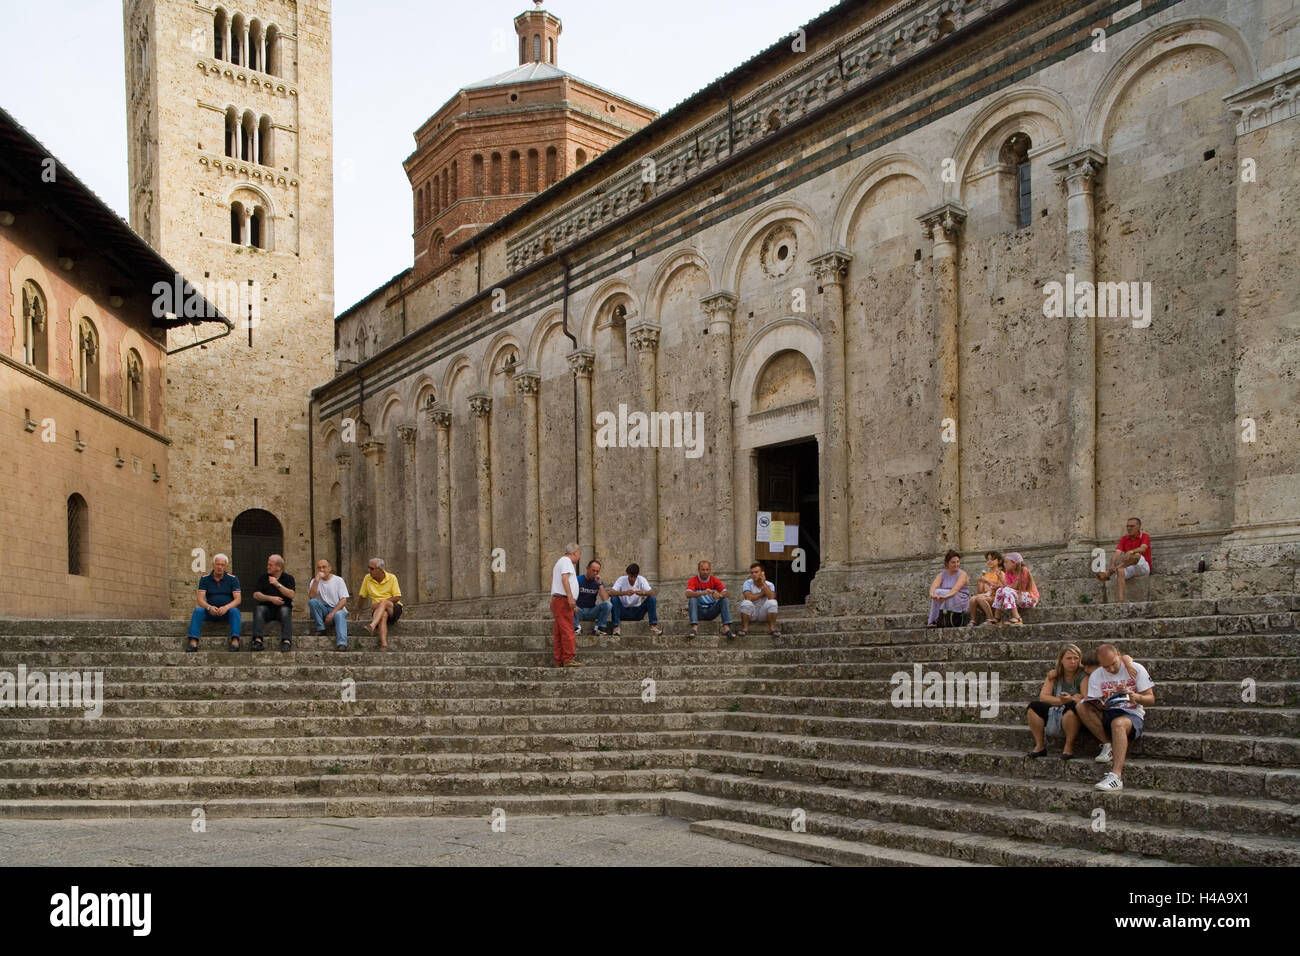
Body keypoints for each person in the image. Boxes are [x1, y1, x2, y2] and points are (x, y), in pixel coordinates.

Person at [1077, 643, 1155, 791]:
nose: (1111, 669)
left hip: (1131, 714)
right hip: (1108, 711)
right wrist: (1098, 704)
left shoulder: (1135, 668)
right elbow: (1095, 700)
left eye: (1114, 664)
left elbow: (1151, 698)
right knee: (1081, 706)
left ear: (1119, 655)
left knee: (1118, 724)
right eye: (1106, 667)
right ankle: (1108, 744)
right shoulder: (1097, 674)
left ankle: (1116, 776)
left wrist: (1138, 697)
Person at [1025, 644, 1087, 759]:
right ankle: (1040, 746)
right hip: (1057, 707)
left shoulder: (1083, 675)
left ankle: (1068, 747)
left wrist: (1071, 699)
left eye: (1076, 658)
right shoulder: (1054, 674)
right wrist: (1064, 700)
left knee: (1071, 710)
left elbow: (1085, 697)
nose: (1072, 661)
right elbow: (1043, 697)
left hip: (1073, 711)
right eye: (1069, 658)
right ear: (1061, 660)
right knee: (1033, 707)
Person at [186, 553, 242, 652]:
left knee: (235, 611)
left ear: (226, 566)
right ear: (213, 565)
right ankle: (193, 642)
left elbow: (238, 599)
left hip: (227, 612)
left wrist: (226, 607)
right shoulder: (205, 579)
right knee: (198, 611)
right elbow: (200, 599)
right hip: (210, 612)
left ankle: (235, 641)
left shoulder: (233, 579)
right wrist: (209, 607)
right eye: (217, 564)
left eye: (222, 565)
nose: (220, 567)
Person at [1096, 517, 1153, 603]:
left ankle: (1109, 573)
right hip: (1130, 566)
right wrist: (1112, 564)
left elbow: (1143, 549)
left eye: (1132, 526)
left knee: (1136, 555)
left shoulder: (1145, 536)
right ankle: (1120, 600)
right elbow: (1117, 553)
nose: (1129, 528)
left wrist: (1131, 551)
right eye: (1127, 526)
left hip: (1143, 567)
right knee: (1120, 571)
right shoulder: (1124, 539)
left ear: (1138, 527)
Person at [251, 554, 296, 652]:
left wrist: (277, 584)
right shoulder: (263, 577)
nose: (267, 567)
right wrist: (271, 598)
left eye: (270, 565)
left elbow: (291, 595)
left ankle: (286, 641)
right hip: (266, 610)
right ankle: (257, 640)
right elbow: (256, 595)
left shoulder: (288, 578)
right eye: (268, 564)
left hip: (282, 610)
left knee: (285, 610)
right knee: (259, 609)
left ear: (278, 567)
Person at [358, 557, 402, 651]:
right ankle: (384, 645)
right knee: (383, 615)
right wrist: (358, 611)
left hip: (393, 608)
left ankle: (372, 625)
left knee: (383, 602)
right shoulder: (367, 578)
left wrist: (380, 604)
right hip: (378, 611)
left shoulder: (391, 577)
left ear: (380, 570)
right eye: (368, 568)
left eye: (372, 569)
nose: (369, 570)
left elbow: (397, 597)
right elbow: (362, 596)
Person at [550, 543, 582, 667]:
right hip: (563, 601)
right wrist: (570, 598)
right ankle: (568, 658)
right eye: (579, 554)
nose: (579, 558)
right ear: (575, 552)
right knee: (568, 629)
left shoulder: (561, 562)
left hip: (559, 600)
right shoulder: (566, 561)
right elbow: (565, 579)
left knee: (559, 632)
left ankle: (559, 660)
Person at [308, 558, 351, 651]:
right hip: (323, 609)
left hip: (337, 609)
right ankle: (321, 628)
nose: (321, 570)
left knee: (339, 615)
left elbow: (343, 600)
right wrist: (316, 580)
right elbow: (312, 596)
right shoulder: (314, 581)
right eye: (319, 568)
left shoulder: (338, 580)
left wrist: (332, 613)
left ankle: (342, 643)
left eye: (324, 567)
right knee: (312, 602)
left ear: (329, 568)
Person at [686, 559, 734, 640]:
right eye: (703, 570)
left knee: (724, 599)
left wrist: (719, 595)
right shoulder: (693, 580)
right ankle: (694, 628)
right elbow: (687, 594)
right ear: (699, 570)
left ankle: (726, 628)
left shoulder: (714, 580)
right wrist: (703, 592)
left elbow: (727, 593)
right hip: (699, 612)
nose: (705, 572)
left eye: (707, 570)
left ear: (710, 570)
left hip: (711, 611)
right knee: (692, 599)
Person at [608, 563, 661, 636]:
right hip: (622, 612)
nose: (632, 579)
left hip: (637, 612)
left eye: (635, 577)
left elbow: (652, 593)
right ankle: (616, 627)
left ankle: (653, 626)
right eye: (631, 576)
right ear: (627, 574)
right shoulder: (621, 579)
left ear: (637, 575)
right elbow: (610, 593)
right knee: (614, 598)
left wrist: (643, 592)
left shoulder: (641, 579)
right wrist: (625, 593)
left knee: (652, 599)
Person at [992, 551, 1039, 626]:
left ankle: (1017, 618)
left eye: (1006, 562)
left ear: (1014, 563)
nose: (1004, 564)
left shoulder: (1023, 570)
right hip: (1019, 598)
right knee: (1000, 590)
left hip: (1030, 599)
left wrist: (1002, 582)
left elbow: (1013, 587)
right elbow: (1008, 587)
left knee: (1005, 590)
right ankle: (997, 617)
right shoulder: (1008, 573)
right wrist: (1000, 578)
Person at [926, 550, 970, 627]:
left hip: (960, 597)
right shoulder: (941, 574)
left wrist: (944, 597)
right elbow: (933, 587)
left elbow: (955, 589)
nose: (956, 564)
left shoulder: (963, 574)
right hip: (945, 597)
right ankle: (933, 620)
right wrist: (933, 595)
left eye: (958, 562)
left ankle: (938, 619)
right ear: (947, 563)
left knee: (941, 592)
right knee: (937, 592)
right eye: (953, 562)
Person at [738, 562, 779, 637]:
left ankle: (772, 629)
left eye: (756, 572)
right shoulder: (747, 583)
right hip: (751, 613)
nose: (754, 574)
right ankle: (745, 628)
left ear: (762, 573)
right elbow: (748, 597)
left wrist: (763, 583)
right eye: (752, 572)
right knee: (745, 602)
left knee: (773, 602)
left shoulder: (769, 584)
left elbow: (771, 597)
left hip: (763, 614)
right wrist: (762, 593)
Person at [573, 560, 612, 636]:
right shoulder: (578, 579)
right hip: (578, 610)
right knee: (568, 603)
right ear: (587, 568)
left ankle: (599, 628)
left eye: (597, 571)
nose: (595, 573)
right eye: (593, 570)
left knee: (608, 604)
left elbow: (605, 599)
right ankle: (576, 627)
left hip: (592, 611)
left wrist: (600, 584)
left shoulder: (598, 581)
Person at [969, 551, 1005, 625]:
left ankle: (991, 619)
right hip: (986, 596)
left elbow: (1001, 587)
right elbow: (980, 592)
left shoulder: (1000, 573)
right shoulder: (986, 574)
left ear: (999, 561)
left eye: (992, 559)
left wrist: (988, 581)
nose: (989, 561)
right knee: (972, 599)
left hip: (996, 597)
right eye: (988, 559)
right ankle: (973, 620)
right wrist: (980, 583)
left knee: (980, 598)